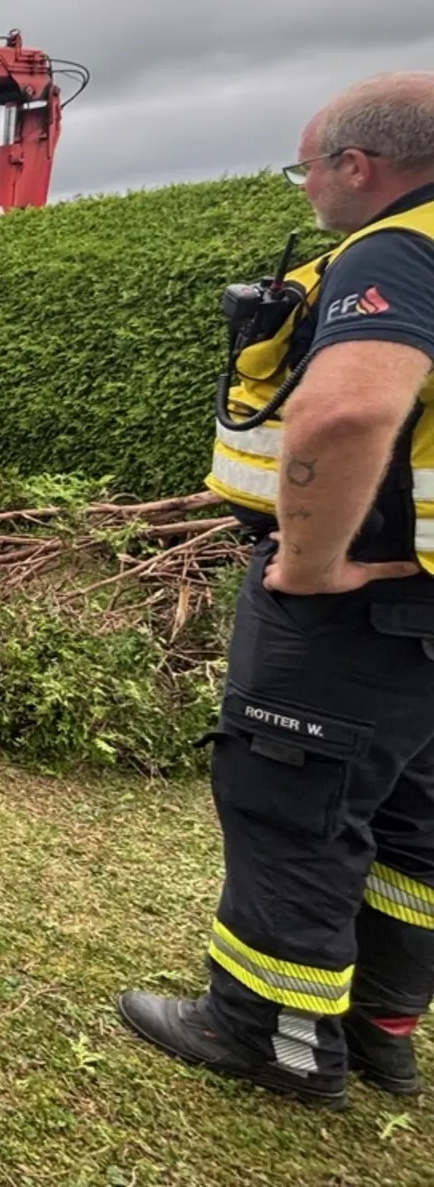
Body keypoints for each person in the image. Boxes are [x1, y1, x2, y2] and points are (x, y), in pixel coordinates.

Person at [118, 72, 434, 1108]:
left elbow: (342, 415)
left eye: (306, 168)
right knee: (406, 821)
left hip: (356, 613)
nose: (303, 189)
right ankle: (382, 1027)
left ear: (358, 166)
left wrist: (304, 566)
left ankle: (266, 1033)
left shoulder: (393, 249)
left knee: (291, 803)